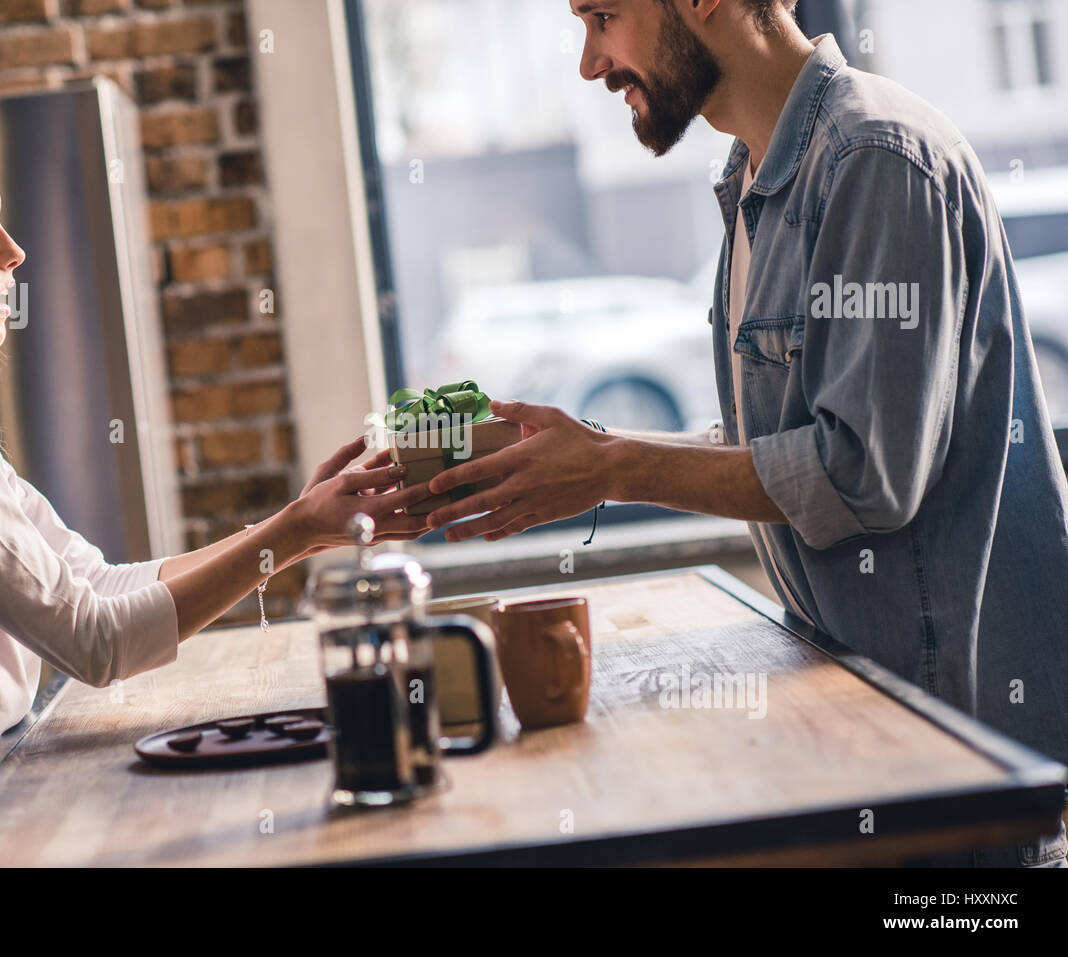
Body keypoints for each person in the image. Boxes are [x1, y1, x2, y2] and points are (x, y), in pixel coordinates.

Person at [422, 0, 1068, 867]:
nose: (590, 63)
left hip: (959, 784)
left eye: (603, 15)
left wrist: (609, 468)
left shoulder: (876, 159)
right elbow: (768, 441)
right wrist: (576, 448)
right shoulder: (760, 181)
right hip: (873, 747)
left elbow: (859, 473)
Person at [0, 119, 432, 867]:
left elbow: (96, 585)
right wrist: (299, 532)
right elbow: (94, 639)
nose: (15, 252)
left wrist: (295, 524)